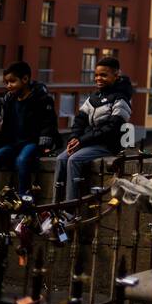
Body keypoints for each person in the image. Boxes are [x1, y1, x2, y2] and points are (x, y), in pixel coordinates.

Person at [54, 58, 133, 202]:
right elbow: (80, 120)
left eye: (103, 75)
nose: (98, 78)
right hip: (89, 142)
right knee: (61, 158)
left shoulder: (121, 99)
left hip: (107, 145)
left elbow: (112, 128)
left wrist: (82, 140)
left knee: (74, 159)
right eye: (96, 75)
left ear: (116, 75)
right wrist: (74, 137)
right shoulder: (94, 97)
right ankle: (56, 203)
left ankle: (70, 206)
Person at [0, 62, 59, 197]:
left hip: (32, 142)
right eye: (6, 82)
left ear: (25, 79)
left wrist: (44, 144)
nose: (8, 86)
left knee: (22, 161)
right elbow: (6, 125)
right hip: (13, 143)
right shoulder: (10, 99)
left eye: (12, 81)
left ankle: (25, 198)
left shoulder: (41, 98)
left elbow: (49, 122)